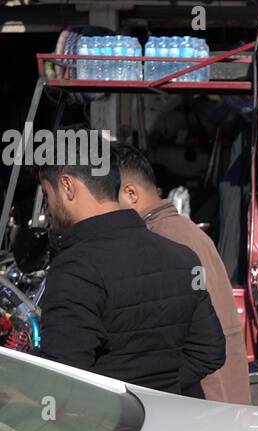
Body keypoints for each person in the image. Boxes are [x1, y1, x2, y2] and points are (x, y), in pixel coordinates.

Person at [35, 149, 226, 397]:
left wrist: (126, 395)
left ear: (68, 186)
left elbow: (63, 381)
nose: (48, 211)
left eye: (48, 195)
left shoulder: (73, 270)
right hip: (173, 420)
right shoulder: (183, 257)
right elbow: (210, 351)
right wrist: (157, 387)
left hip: (108, 427)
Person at [115, 143, 251, 405]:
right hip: (222, 399)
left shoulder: (158, 240)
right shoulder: (186, 231)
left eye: (109, 197)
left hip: (200, 404)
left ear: (131, 193)